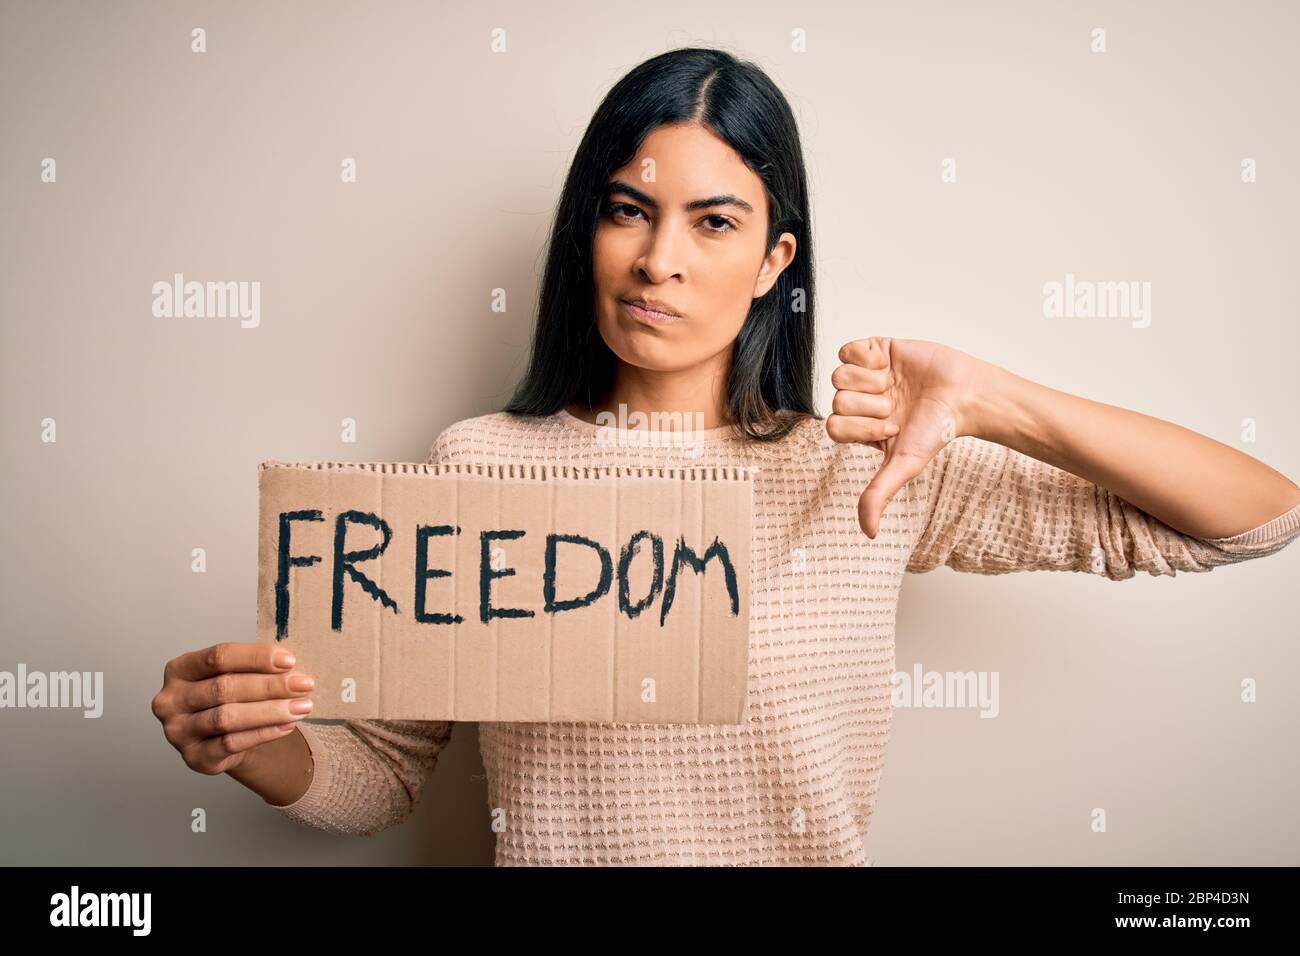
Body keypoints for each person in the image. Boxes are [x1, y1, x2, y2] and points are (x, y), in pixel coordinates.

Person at [152, 47, 1300, 865]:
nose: (657, 259)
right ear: (584, 231)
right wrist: (256, 746)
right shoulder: (480, 463)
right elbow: (384, 779)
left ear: (771, 260)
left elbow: (1256, 517)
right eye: (625, 209)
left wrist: (998, 397)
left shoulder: (869, 466)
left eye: (713, 220)